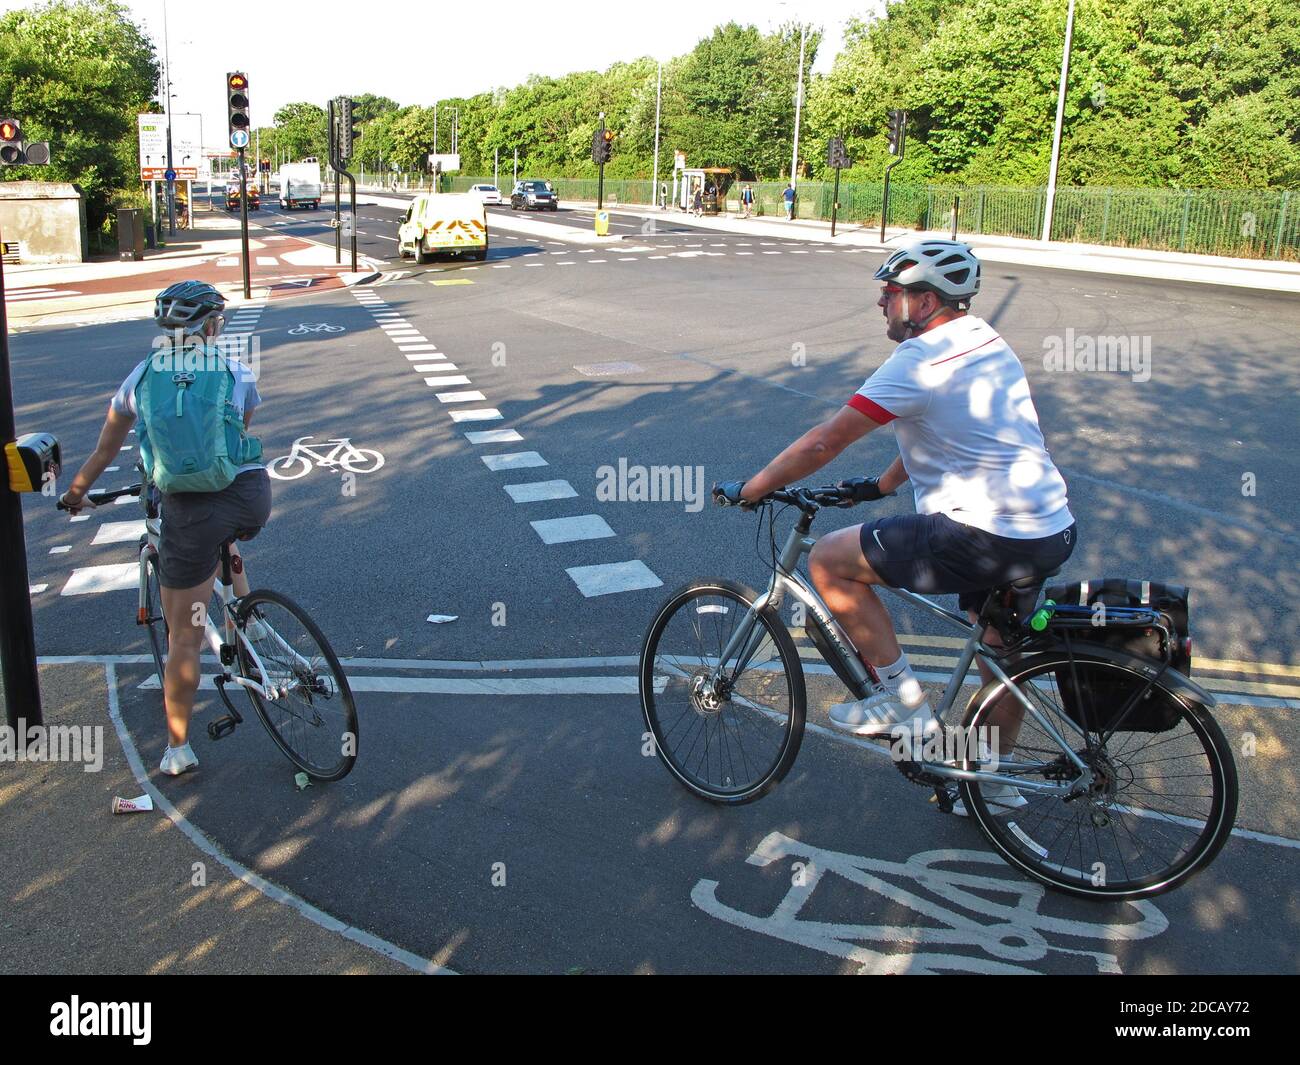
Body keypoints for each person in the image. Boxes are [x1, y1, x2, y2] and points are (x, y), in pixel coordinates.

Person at [714, 241, 1075, 809]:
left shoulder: (917, 362)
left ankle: (903, 703)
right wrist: (880, 486)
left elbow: (825, 441)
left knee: (830, 561)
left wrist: (752, 488)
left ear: (925, 301)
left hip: (982, 533)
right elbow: (954, 431)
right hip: (1047, 529)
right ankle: (991, 785)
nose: (881, 301)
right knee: (999, 656)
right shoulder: (986, 339)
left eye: (892, 292)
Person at [60, 281, 272, 777]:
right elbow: (239, 427)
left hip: (188, 510)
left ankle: (178, 749)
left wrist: (76, 492)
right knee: (225, 526)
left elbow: (106, 449)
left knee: (184, 636)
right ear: (213, 327)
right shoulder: (234, 370)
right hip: (250, 496)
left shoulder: (139, 378)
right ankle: (249, 619)